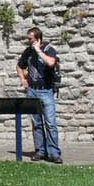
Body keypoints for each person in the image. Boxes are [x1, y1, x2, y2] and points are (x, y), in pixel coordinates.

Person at [16, 27, 62, 164]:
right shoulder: (27, 51)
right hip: (32, 91)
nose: (28, 41)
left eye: (30, 39)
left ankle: (54, 153)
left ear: (38, 38)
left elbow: (51, 63)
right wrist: (23, 80)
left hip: (46, 91)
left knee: (50, 124)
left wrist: (38, 51)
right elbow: (19, 66)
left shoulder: (48, 49)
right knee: (36, 124)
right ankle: (40, 151)